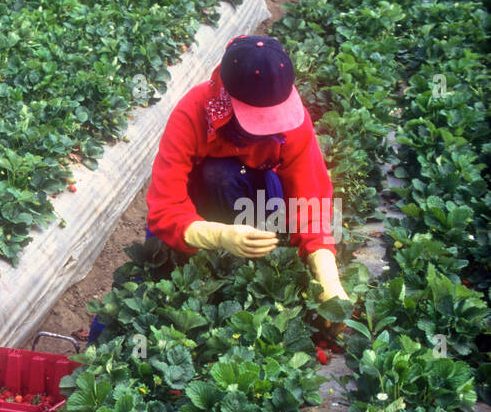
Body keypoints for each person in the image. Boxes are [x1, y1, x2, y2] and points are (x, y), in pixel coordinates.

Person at [89, 35, 348, 343]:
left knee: (234, 185)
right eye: (259, 120)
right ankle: (214, 262)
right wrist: (218, 235)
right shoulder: (193, 113)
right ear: (227, 97)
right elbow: (164, 207)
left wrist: (329, 280)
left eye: (273, 119)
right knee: (217, 178)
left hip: (260, 200)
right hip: (198, 206)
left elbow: (312, 200)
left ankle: (254, 258)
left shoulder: (292, 119)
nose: (270, 127)